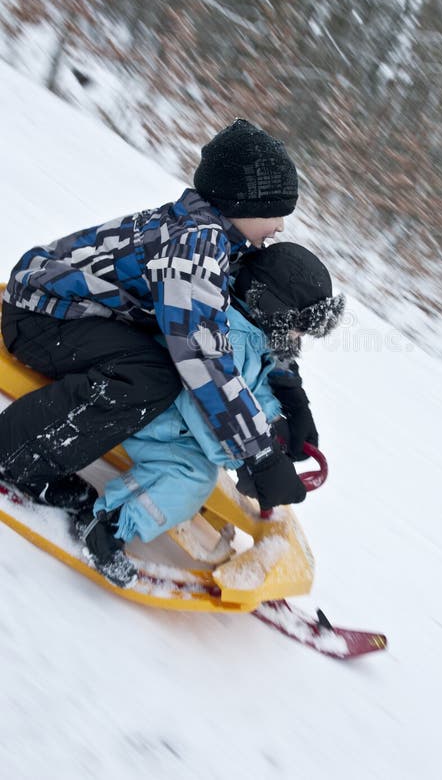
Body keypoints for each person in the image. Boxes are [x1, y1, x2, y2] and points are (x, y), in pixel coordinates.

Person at [0, 120, 315, 570]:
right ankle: (16, 457)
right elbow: (205, 360)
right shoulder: (194, 251)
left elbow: (252, 318)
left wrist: (288, 390)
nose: (281, 225)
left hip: (81, 311)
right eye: (275, 212)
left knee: (157, 368)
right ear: (242, 203)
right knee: (152, 376)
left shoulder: (222, 237)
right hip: (43, 315)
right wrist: (258, 454)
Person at [78, 242, 345, 585]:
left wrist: (274, 424)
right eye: (299, 327)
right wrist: (246, 459)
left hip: (181, 416)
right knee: (193, 475)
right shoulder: (230, 335)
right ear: (273, 308)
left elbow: (249, 389)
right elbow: (205, 410)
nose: (299, 337)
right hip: (162, 419)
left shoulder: (250, 330)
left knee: (205, 466)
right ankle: (108, 526)